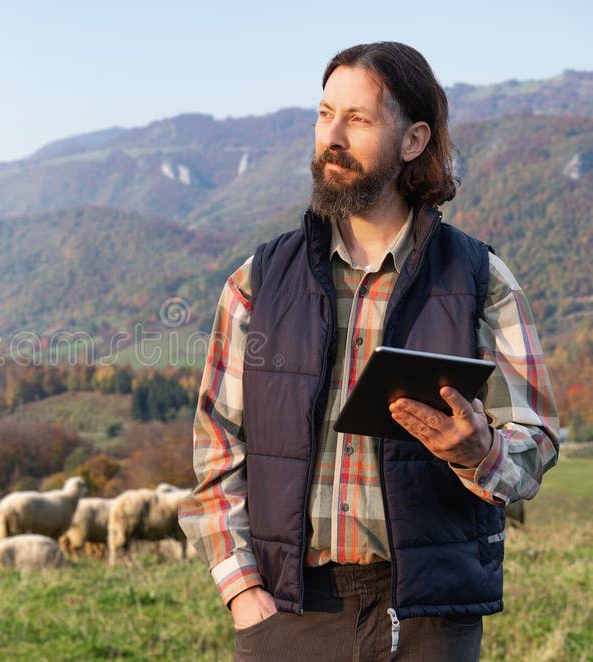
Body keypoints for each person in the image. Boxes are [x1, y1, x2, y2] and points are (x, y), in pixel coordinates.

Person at [178, 41, 559, 662]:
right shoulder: (257, 281)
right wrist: (243, 593)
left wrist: (481, 452)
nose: (332, 135)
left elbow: (537, 441)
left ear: (413, 141)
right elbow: (216, 447)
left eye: (357, 120)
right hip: (290, 612)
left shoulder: (481, 278)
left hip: (430, 619)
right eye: (325, 114)